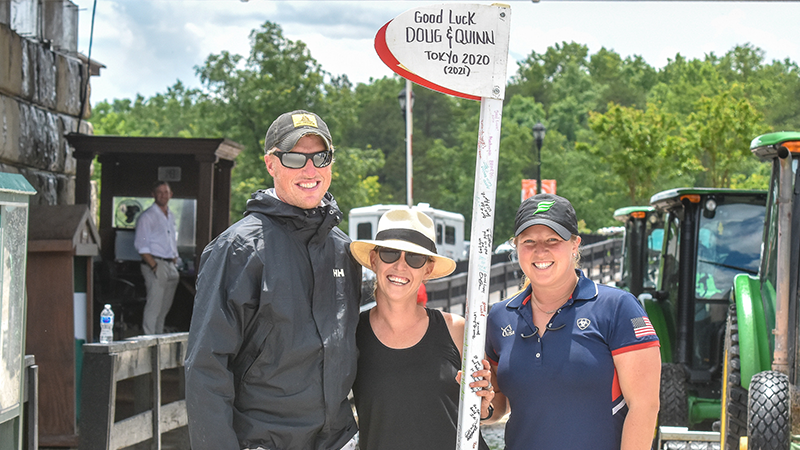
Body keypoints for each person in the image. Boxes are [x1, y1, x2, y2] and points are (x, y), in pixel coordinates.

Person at [185, 110, 362, 450]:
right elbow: (205, 367)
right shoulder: (237, 249)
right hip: (263, 441)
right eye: (295, 158)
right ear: (271, 164)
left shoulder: (343, 249)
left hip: (337, 440)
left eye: (320, 157)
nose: (310, 170)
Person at [484, 193, 661, 450]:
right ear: (516, 246)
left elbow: (645, 406)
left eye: (552, 240)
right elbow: (499, 404)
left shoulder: (617, 308)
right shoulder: (499, 317)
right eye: (529, 241)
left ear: (575, 244)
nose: (540, 250)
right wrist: (481, 405)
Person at [350, 208, 492, 450]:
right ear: (374, 260)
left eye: (415, 258)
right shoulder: (351, 334)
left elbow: (486, 411)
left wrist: (484, 402)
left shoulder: (457, 330)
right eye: (390, 253)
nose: (400, 266)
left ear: (427, 269)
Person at [134, 180, 180, 335]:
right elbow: (141, 245)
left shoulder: (171, 215)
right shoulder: (147, 216)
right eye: (160, 192)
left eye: (166, 192)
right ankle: (148, 340)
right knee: (154, 306)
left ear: (171, 195)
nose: (163, 195)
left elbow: (171, 240)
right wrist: (154, 266)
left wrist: (175, 259)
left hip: (170, 264)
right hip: (156, 263)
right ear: (153, 194)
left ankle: (158, 342)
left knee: (164, 308)